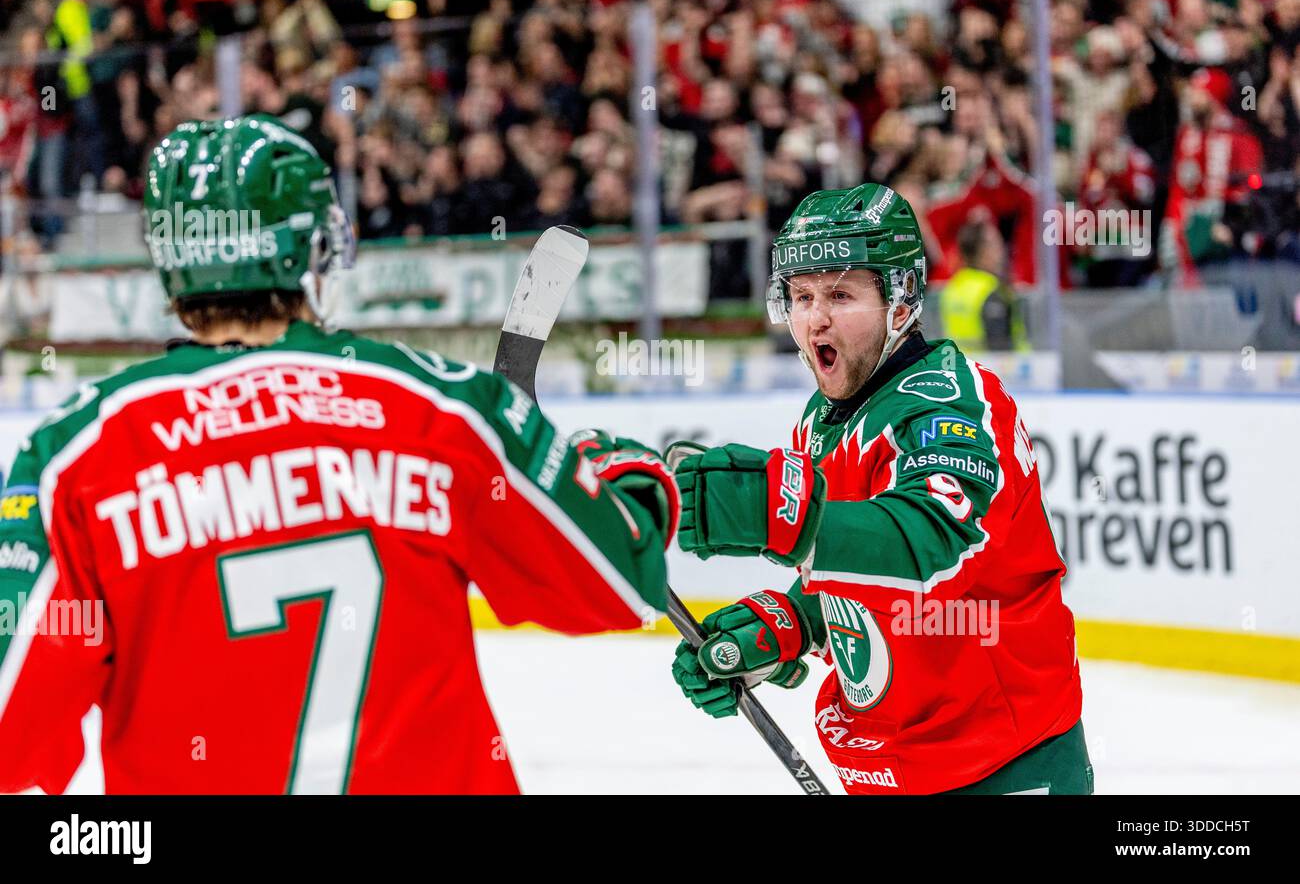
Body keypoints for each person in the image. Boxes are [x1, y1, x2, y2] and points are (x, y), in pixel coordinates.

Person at [0, 115, 676, 794]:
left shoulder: (75, 456)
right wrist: (613, 471)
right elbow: (616, 582)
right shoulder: (441, 406)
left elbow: (11, 729)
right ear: (313, 249)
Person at [670, 183, 1090, 795]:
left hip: (1004, 769)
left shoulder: (950, 402)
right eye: (802, 295)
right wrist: (784, 625)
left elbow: (927, 542)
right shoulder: (822, 421)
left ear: (901, 303)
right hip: (887, 770)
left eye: (841, 294)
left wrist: (777, 517)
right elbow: (857, 581)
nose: (816, 316)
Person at [938, 217, 1028, 353]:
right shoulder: (992, 289)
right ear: (982, 250)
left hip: (960, 368)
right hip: (995, 370)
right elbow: (1000, 347)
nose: (1001, 252)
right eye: (996, 245)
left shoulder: (952, 288)